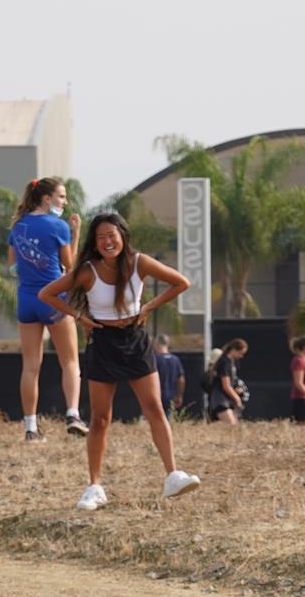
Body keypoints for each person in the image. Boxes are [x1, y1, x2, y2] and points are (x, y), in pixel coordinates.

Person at [37, 212, 200, 510]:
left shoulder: (140, 262)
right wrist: (79, 317)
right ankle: (95, 486)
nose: (108, 242)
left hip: (135, 339)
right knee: (100, 419)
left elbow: (181, 282)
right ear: (95, 244)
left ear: (123, 236)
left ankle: (173, 475)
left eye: (112, 235)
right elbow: (47, 293)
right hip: (103, 342)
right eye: (101, 238)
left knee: (154, 409)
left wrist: (148, 306)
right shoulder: (87, 271)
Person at [8, 178, 84, 440]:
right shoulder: (58, 225)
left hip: (27, 301)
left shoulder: (18, 226)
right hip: (54, 298)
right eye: (61, 197)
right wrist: (76, 233)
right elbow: (70, 265)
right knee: (70, 361)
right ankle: (72, 414)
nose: (64, 202)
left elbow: (12, 266)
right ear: (46, 198)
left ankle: (30, 426)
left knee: (30, 366)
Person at [205, 339, 248, 424]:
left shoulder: (230, 361)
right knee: (232, 427)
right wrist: (237, 398)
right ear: (234, 350)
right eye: (241, 353)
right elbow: (226, 385)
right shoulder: (225, 362)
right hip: (220, 400)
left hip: (225, 399)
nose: (241, 356)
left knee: (233, 427)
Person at [151, 335, 186, 414]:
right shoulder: (175, 359)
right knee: (168, 421)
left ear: (157, 343)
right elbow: (181, 380)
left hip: (156, 397)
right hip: (171, 398)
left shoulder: (154, 359)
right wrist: (179, 395)